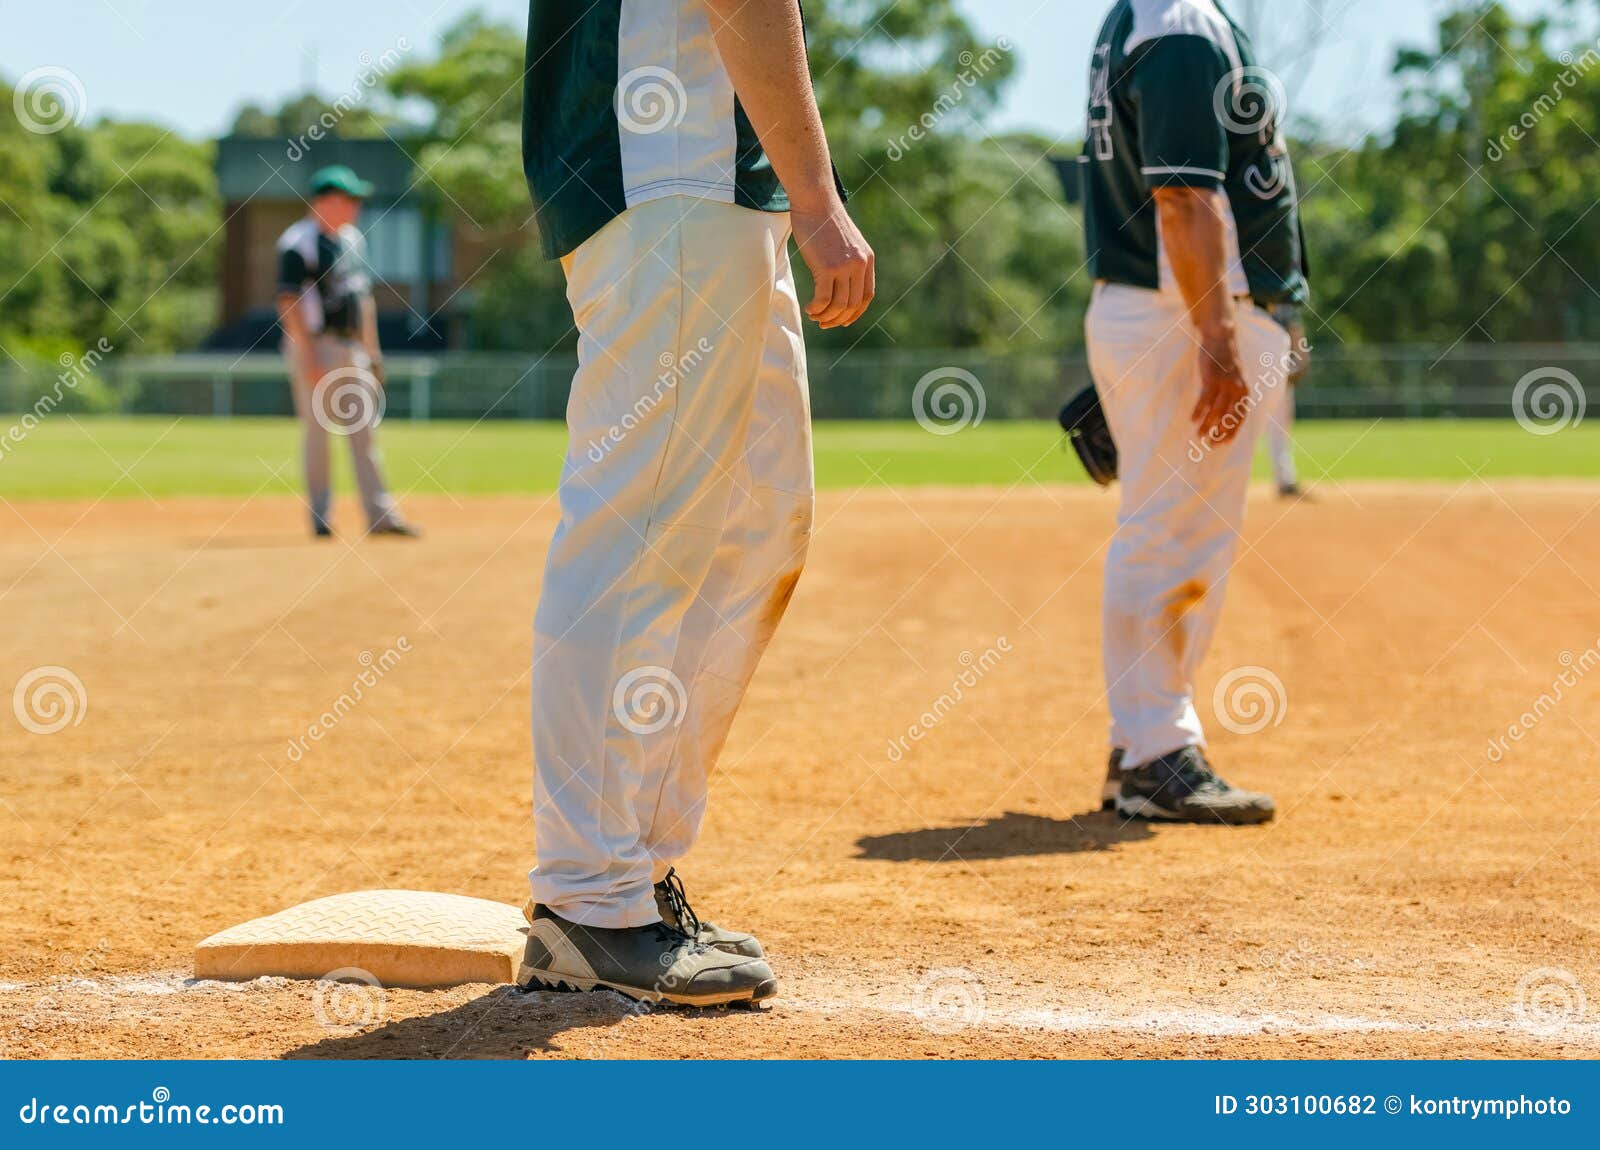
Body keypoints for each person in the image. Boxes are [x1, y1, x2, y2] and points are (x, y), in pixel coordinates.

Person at [516, 0, 873, 1006]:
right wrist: (816, 195)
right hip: (666, 165)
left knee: (759, 527)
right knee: (635, 543)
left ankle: (633, 868)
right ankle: (588, 901)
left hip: (711, 180)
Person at [1082, 0, 1309, 824]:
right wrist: (1216, 335)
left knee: (1172, 524)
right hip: (1182, 310)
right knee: (1175, 532)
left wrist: (1270, 312)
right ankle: (1154, 754)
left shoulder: (1147, 17)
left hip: (1170, 305)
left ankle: (1144, 740)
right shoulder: (1179, 24)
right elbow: (1182, 196)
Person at [275, 165, 418, 539]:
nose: (356, 206)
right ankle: (320, 517)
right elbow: (288, 302)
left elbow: (363, 299)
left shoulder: (352, 239)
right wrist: (307, 357)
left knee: (364, 430)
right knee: (318, 432)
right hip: (315, 344)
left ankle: (381, 516)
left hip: (350, 345)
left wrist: (373, 353)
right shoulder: (298, 242)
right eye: (349, 199)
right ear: (326, 201)